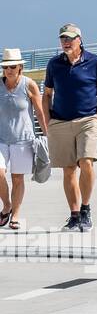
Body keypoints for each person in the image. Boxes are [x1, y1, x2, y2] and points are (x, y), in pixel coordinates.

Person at [42, 23, 97, 232]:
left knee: (86, 162)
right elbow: (47, 94)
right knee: (69, 169)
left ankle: (85, 210)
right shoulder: (54, 64)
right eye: (63, 38)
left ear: (80, 40)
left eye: (70, 38)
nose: (66, 42)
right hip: (60, 122)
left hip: (88, 120)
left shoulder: (94, 61)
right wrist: (48, 122)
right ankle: (74, 215)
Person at [0, 48, 48, 231]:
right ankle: (7, 205)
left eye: (12, 67)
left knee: (18, 178)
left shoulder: (29, 85)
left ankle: (16, 215)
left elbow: (40, 112)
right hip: (1, 139)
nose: (8, 70)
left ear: (20, 67)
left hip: (23, 139)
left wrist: (47, 136)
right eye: (5, 67)